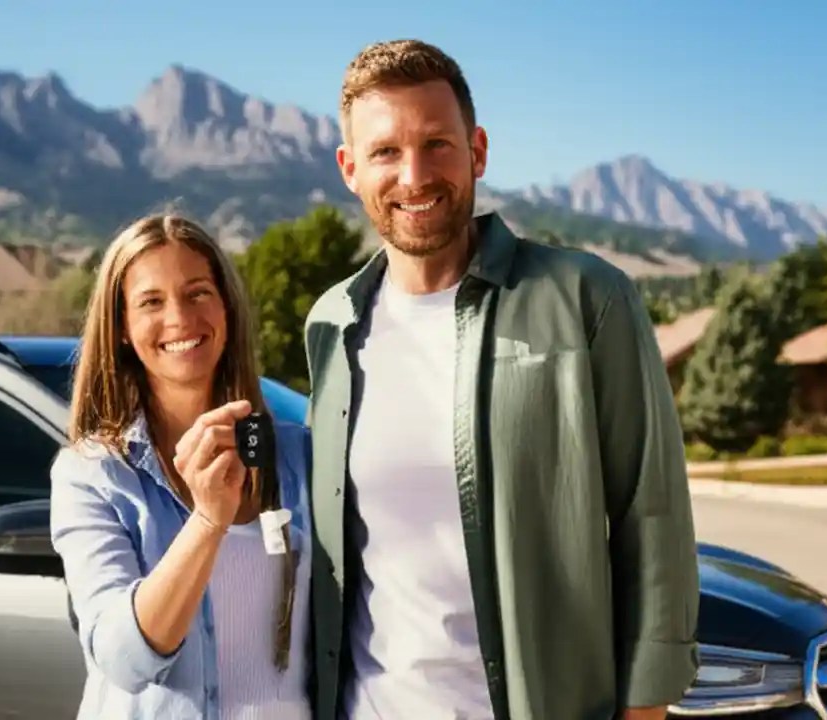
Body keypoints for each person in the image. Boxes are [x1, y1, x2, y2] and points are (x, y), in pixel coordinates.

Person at [302, 39, 700, 720]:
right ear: (349, 168)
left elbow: (652, 512)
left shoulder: (587, 298)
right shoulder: (331, 322)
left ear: (478, 150)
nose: (414, 176)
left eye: (437, 145)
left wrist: (645, 708)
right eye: (386, 152)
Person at [50, 212, 313, 720]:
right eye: (151, 302)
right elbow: (123, 659)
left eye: (197, 293)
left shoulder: (298, 457)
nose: (180, 318)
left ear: (226, 309)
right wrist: (209, 520)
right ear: (122, 328)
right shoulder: (95, 477)